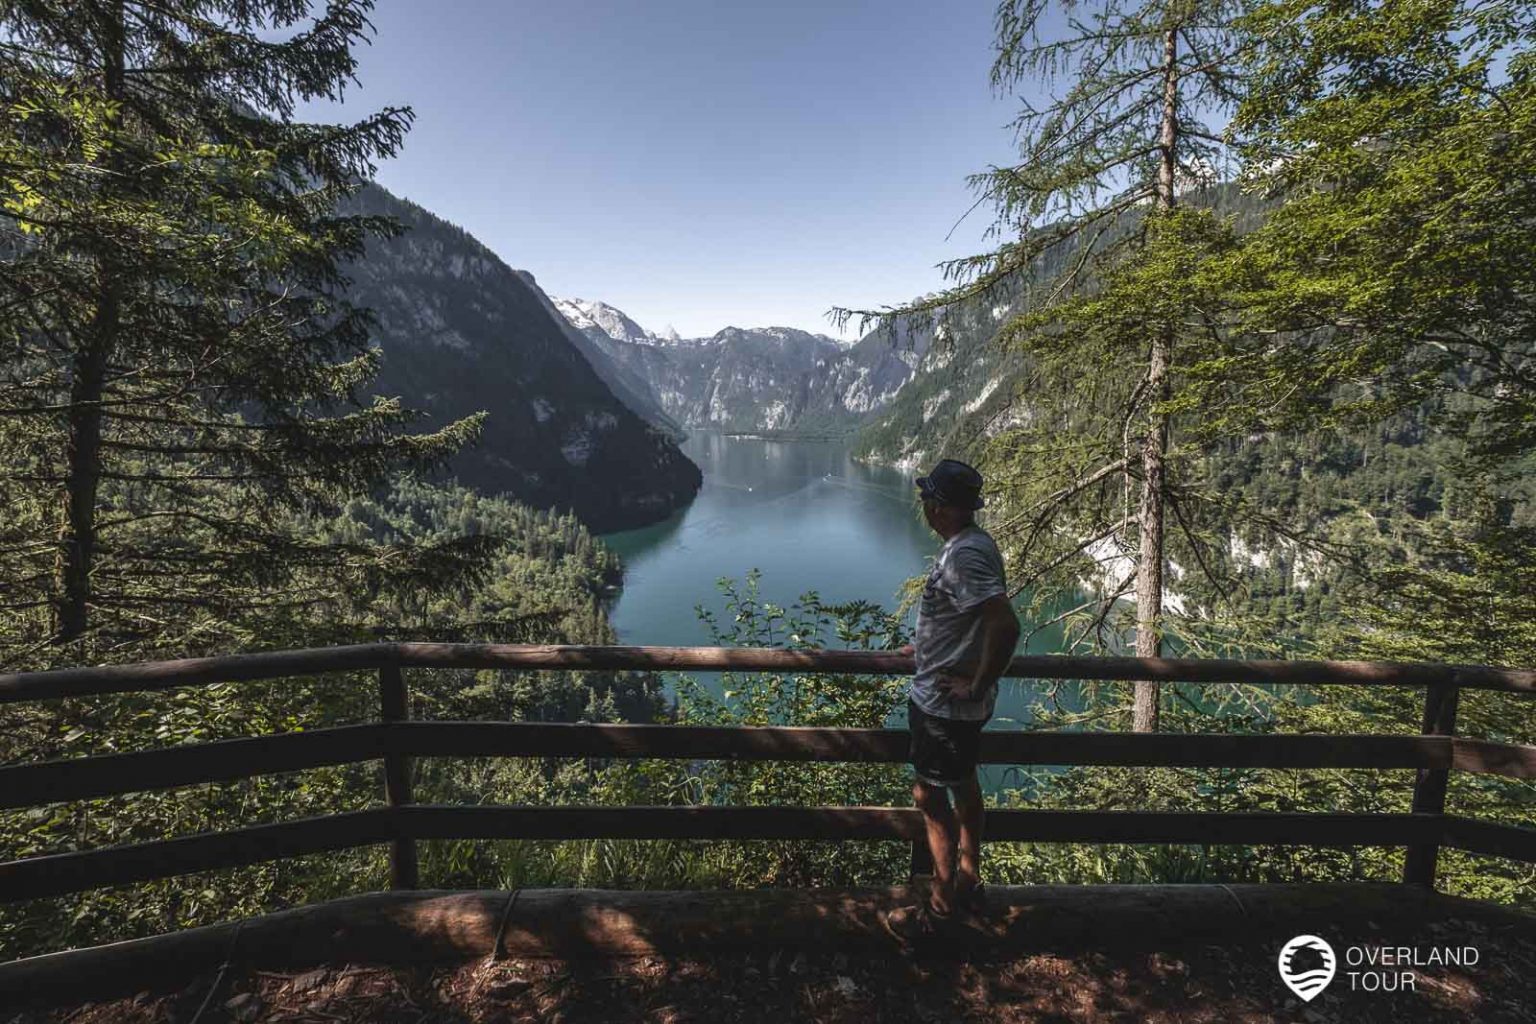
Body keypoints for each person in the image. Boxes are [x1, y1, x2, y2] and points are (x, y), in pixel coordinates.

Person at [888, 458, 1020, 934]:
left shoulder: (964, 554)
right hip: (951, 701)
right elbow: (968, 618)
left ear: (940, 507)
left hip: (945, 706)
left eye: (927, 498)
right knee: (962, 786)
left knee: (928, 795)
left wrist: (977, 684)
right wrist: (925, 645)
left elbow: (1004, 624)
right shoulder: (971, 545)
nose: (923, 505)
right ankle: (967, 881)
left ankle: (941, 908)